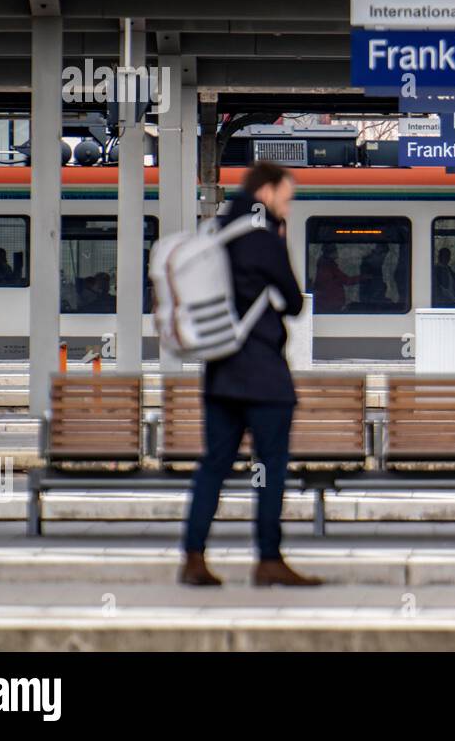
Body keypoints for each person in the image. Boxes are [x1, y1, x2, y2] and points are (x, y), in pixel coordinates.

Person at [180, 161, 320, 588]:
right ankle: (268, 559)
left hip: (220, 372)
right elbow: (294, 303)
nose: (287, 207)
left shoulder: (214, 235)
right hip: (264, 377)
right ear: (266, 191)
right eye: (286, 197)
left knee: (213, 466)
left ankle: (194, 556)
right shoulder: (264, 239)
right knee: (270, 467)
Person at [310, 243, 357, 313]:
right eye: (335, 250)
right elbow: (347, 280)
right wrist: (364, 277)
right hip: (329, 304)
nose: (337, 252)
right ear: (330, 253)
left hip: (329, 304)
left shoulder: (326, 266)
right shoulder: (327, 267)